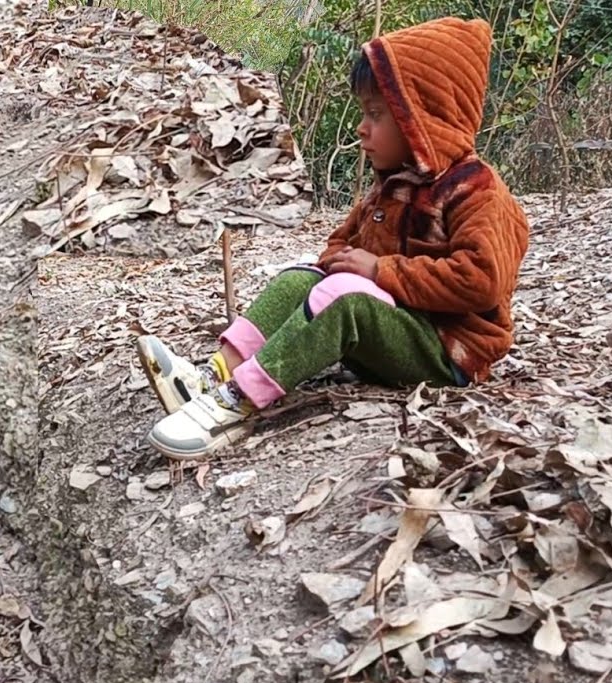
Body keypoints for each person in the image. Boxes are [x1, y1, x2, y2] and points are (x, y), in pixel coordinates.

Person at [138, 16, 530, 461]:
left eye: (376, 114)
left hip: (444, 354)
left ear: (424, 118)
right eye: (364, 112)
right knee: (299, 279)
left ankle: (237, 402)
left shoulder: (477, 191)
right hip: (383, 330)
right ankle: (213, 376)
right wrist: (343, 265)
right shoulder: (389, 189)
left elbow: (482, 280)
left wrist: (380, 272)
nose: (362, 127)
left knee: (345, 298)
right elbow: (337, 246)